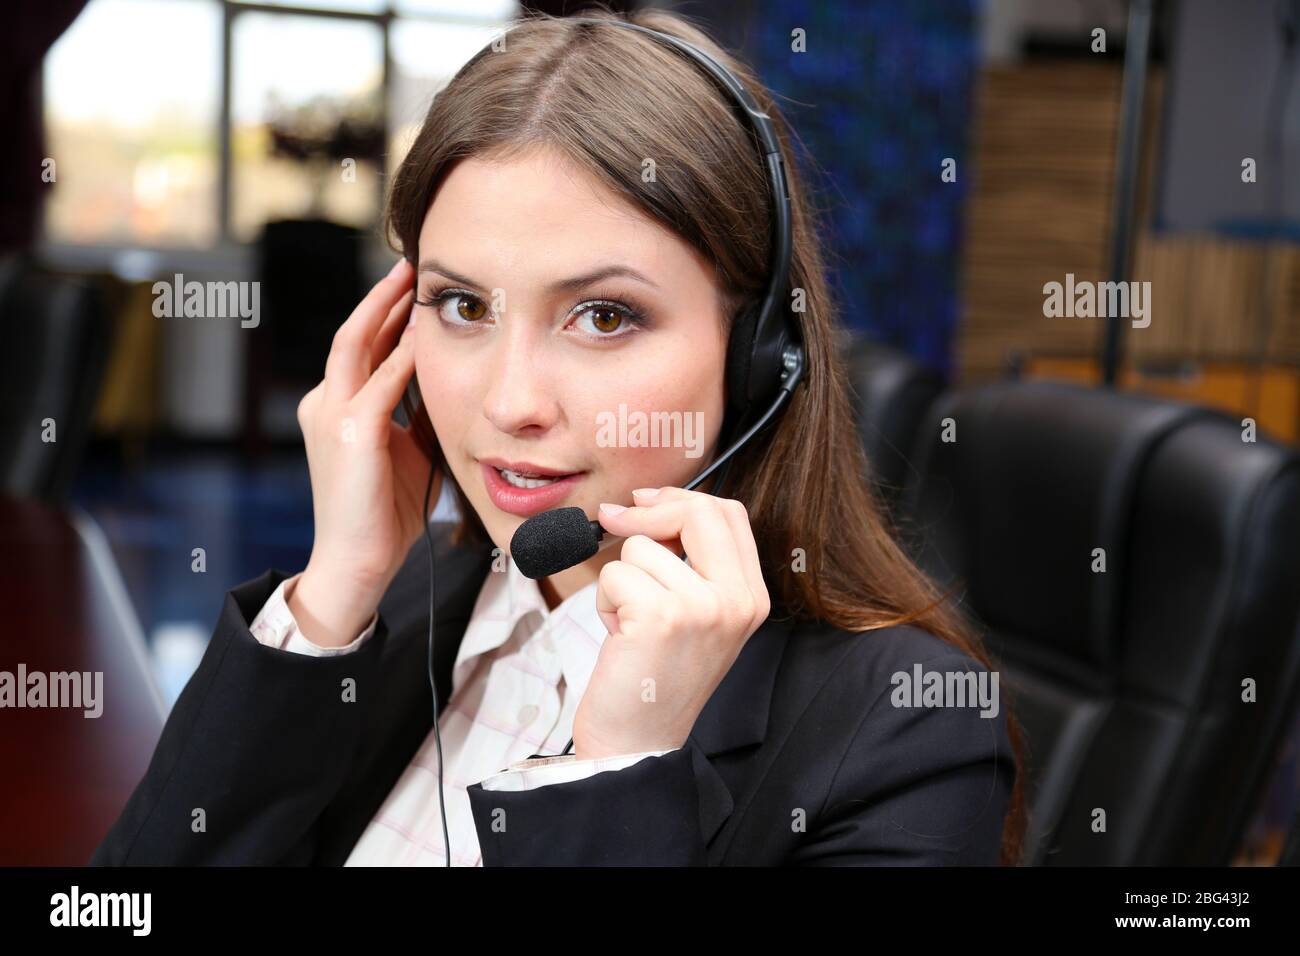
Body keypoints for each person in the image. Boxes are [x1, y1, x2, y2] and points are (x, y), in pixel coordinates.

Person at [90, 7, 1026, 867]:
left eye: (605, 316)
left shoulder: (907, 735)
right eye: (461, 304)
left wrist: (618, 766)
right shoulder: (415, 602)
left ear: (757, 354)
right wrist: (334, 591)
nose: (509, 401)